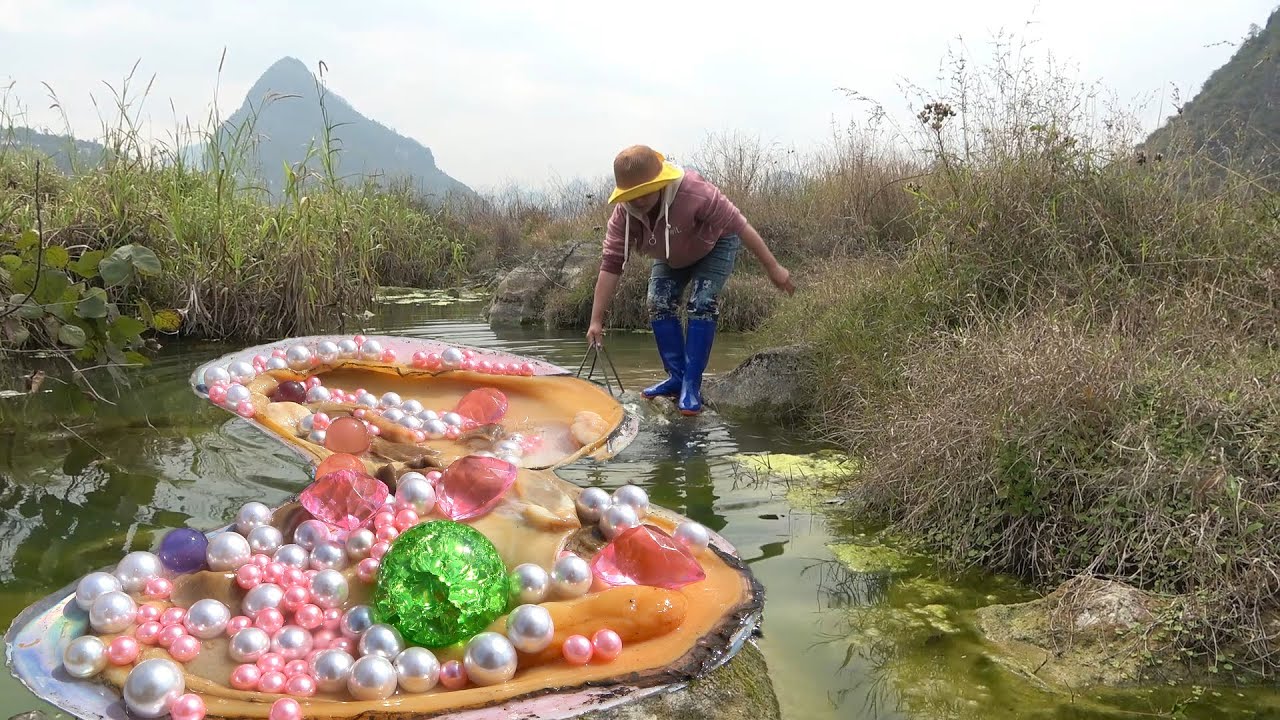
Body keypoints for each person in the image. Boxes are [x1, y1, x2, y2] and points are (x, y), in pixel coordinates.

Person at [586, 144, 794, 416]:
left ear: (660, 181)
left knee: (702, 302)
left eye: (644, 192)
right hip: (671, 256)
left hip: (715, 244)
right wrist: (596, 320)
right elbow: (611, 264)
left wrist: (774, 268)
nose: (638, 201)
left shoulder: (695, 192)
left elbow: (741, 227)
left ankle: (691, 385)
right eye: (631, 195)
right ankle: (677, 377)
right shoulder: (623, 216)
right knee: (657, 302)